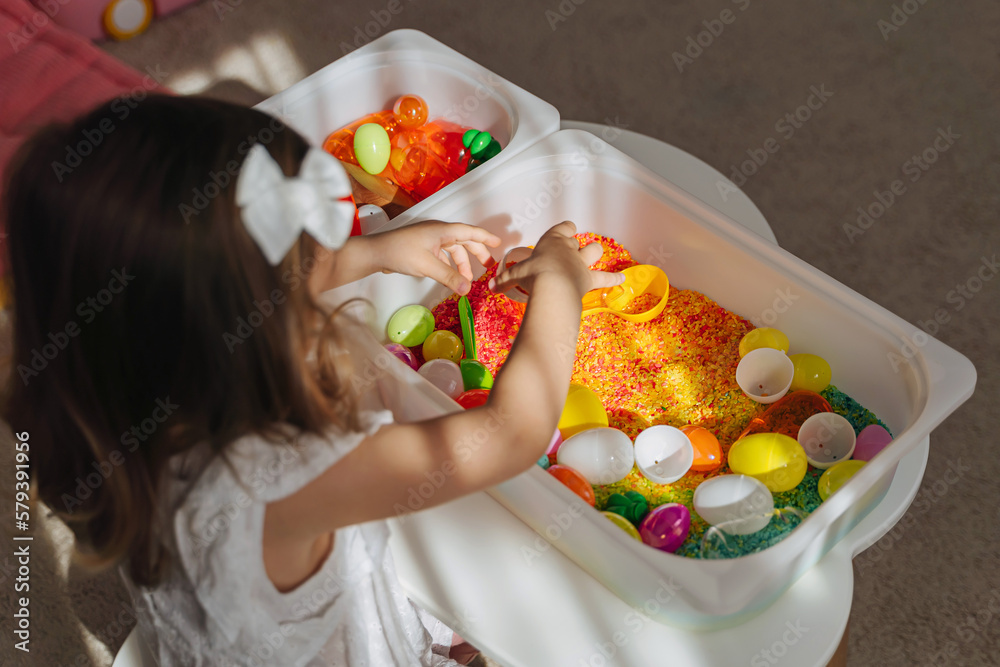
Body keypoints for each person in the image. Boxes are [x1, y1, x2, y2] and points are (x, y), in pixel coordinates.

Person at [1, 95, 624, 666]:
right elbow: (512, 432)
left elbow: (224, 294)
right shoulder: (277, 477)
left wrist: (378, 251)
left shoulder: (97, 391)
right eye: (301, 248)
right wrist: (561, 285)